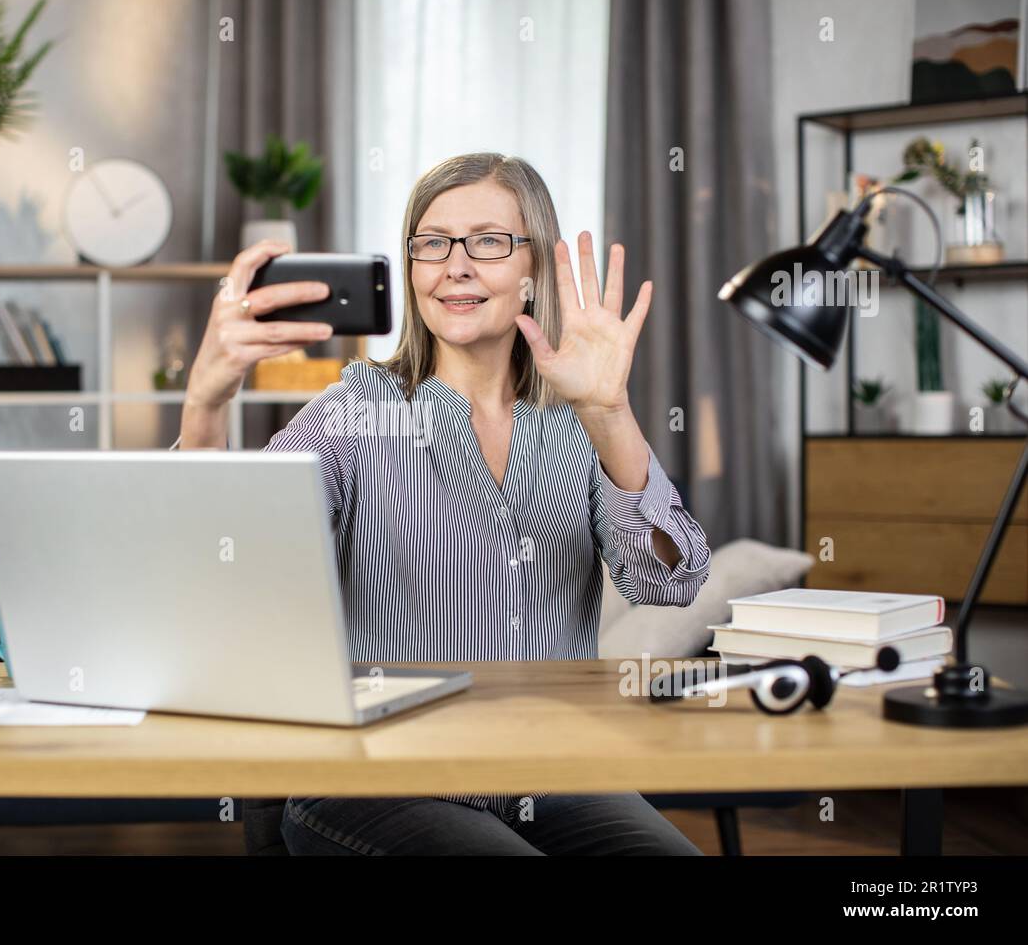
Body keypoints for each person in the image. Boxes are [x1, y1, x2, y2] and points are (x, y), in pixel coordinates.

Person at [178, 152, 711, 855]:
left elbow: (668, 583)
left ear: (533, 271)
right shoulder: (353, 410)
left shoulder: (579, 419)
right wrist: (205, 404)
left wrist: (610, 412)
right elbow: (225, 564)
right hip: (376, 778)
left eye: (488, 241)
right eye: (431, 243)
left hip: (552, 770)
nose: (454, 265)